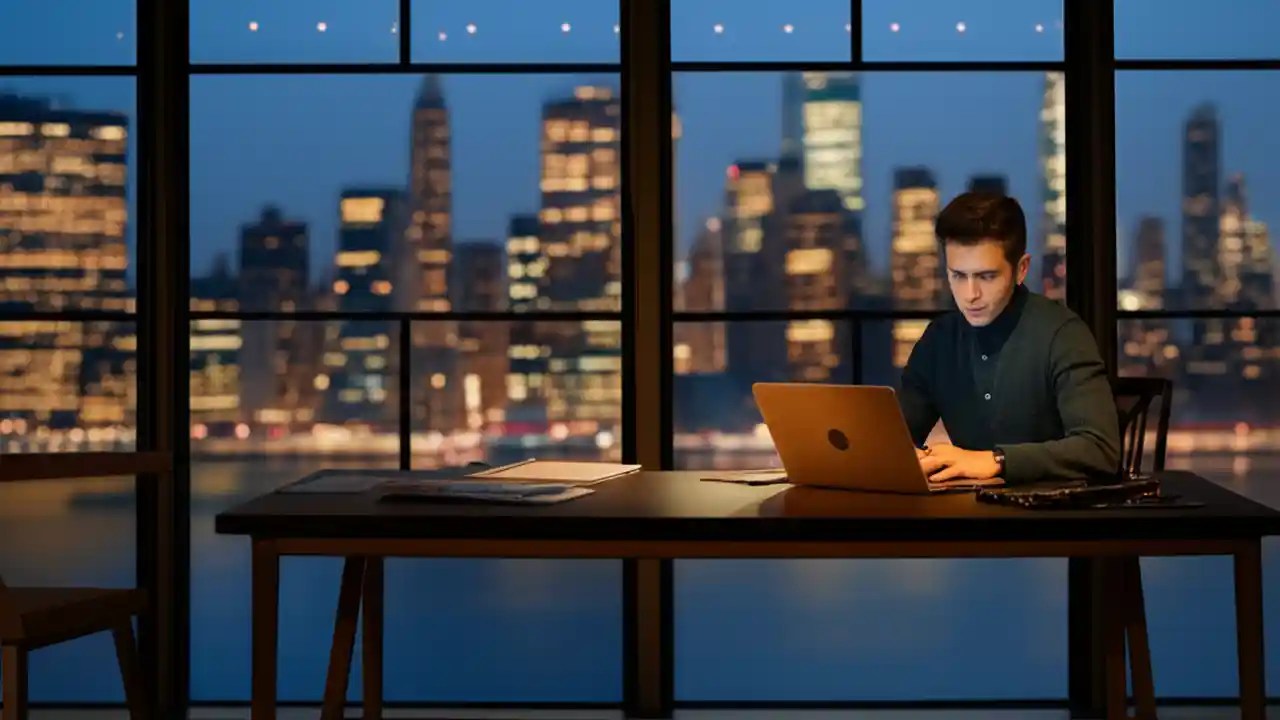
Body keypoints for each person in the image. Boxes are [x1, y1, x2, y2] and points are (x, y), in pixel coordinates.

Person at [899, 191, 1121, 485]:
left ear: (1021, 270)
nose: (970, 294)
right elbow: (897, 438)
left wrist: (996, 461)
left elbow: (1100, 449)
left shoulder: (1062, 333)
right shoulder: (939, 339)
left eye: (987, 276)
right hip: (966, 514)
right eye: (957, 276)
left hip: (1054, 515)